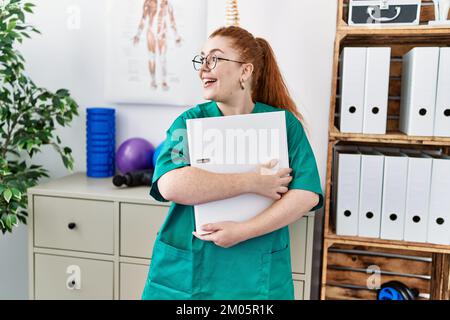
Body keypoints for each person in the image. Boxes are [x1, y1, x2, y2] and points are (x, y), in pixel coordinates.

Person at [141, 26, 324, 300]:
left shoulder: (284, 126)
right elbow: (171, 185)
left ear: (245, 71)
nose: (203, 68)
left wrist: (243, 231)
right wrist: (252, 181)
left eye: (214, 58)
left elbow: (306, 194)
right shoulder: (188, 123)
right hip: (188, 274)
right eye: (201, 59)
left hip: (256, 271)